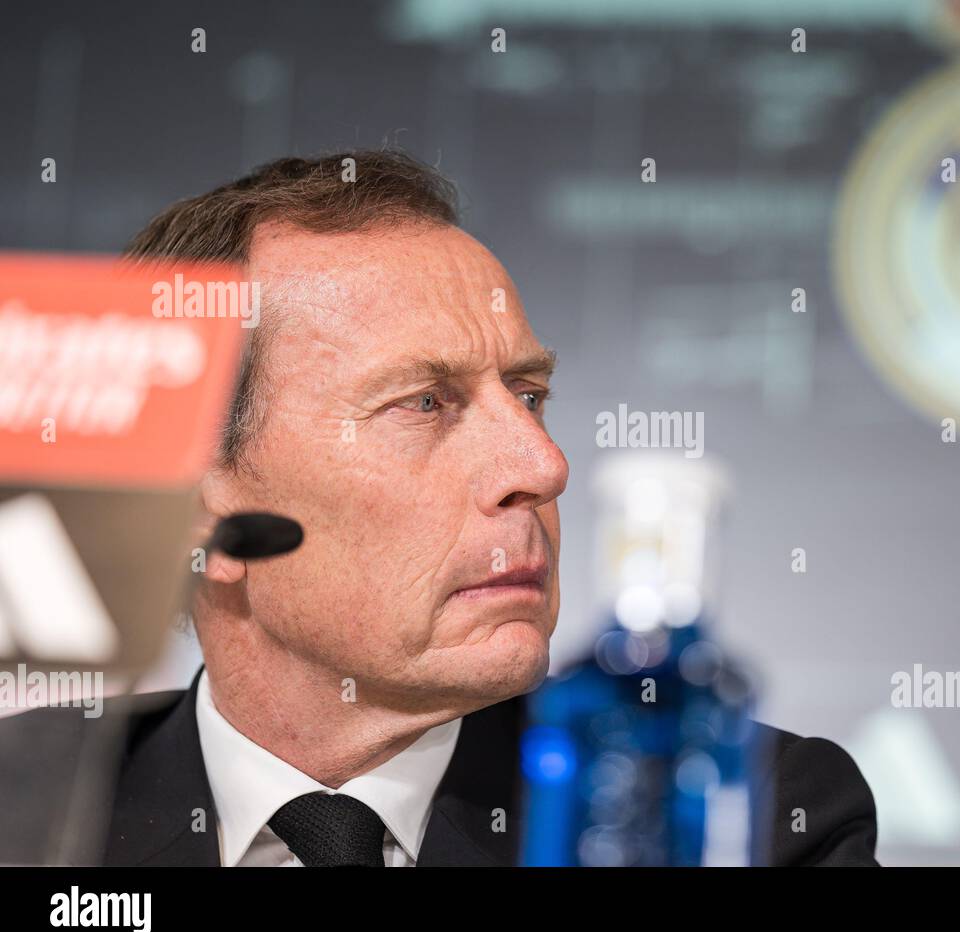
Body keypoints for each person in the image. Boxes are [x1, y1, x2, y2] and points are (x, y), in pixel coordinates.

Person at [0, 150, 878, 866]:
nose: (543, 465)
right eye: (425, 403)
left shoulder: (734, 813)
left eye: (529, 396)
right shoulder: (28, 819)